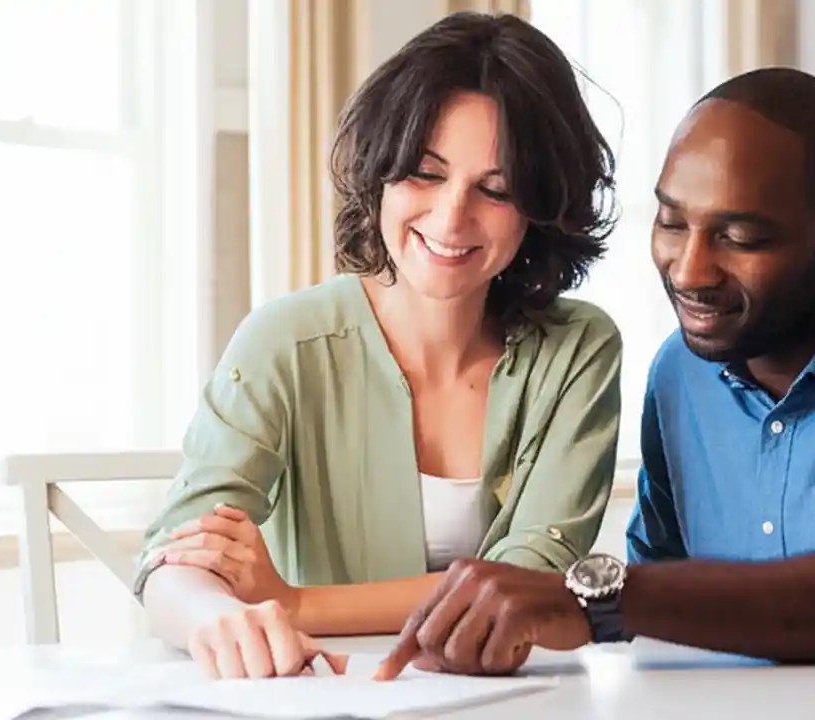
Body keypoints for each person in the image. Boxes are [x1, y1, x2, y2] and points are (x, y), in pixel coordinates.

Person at [372, 67, 815, 680]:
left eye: (739, 239)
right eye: (672, 223)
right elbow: (663, 612)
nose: (690, 271)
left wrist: (601, 596)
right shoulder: (682, 375)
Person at [136, 12, 624, 679]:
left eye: (496, 189)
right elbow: (175, 559)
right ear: (381, 171)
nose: (452, 218)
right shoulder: (286, 340)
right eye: (425, 173)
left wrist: (294, 603)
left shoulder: (580, 351)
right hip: (319, 695)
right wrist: (215, 618)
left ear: (540, 206)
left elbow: (527, 584)